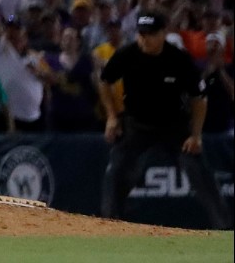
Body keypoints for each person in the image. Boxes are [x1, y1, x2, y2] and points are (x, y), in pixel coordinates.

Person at [99, 11, 231, 228]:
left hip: (175, 126)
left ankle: (226, 229)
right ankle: (108, 227)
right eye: (141, 34)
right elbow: (104, 80)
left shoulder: (178, 58)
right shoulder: (128, 54)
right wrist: (112, 117)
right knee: (116, 171)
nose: (144, 39)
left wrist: (196, 135)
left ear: (163, 34)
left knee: (200, 173)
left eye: (150, 34)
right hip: (137, 125)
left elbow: (199, 98)